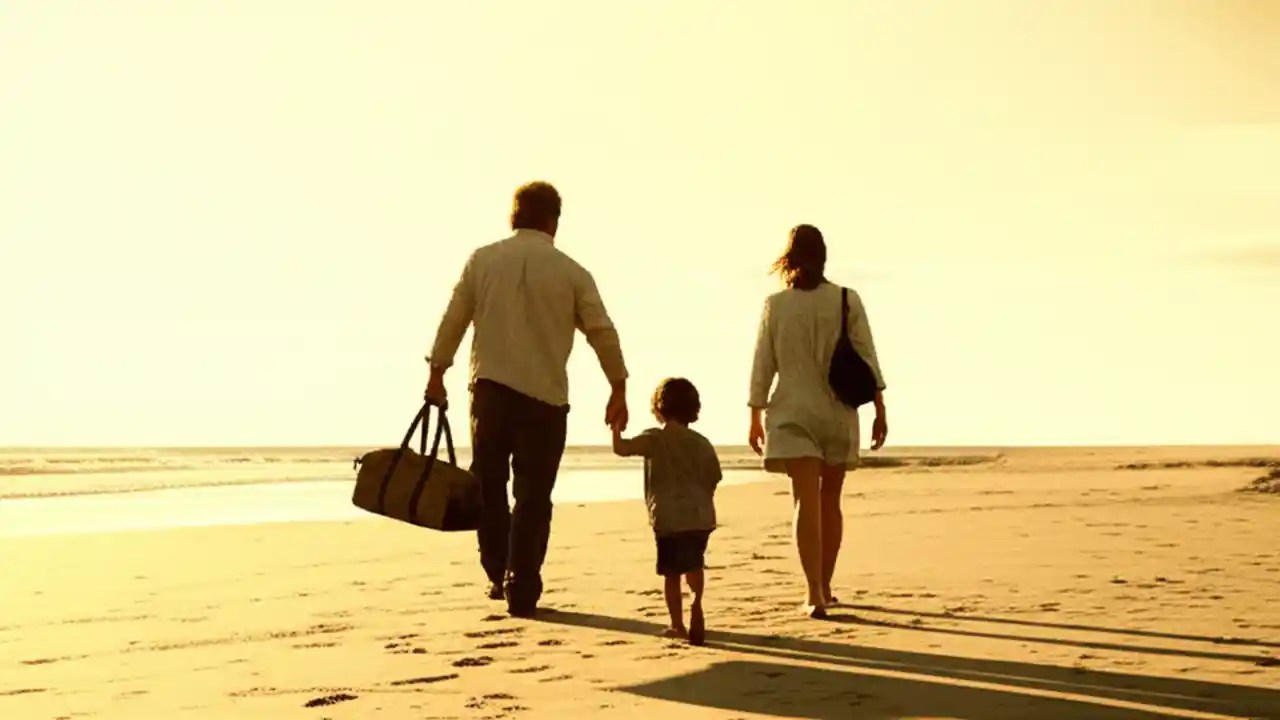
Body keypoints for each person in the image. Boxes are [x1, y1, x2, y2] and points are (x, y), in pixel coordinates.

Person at [425, 181, 629, 617]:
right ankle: (524, 583)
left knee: (490, 485)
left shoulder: (482, 261)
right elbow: (601, 331)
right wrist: (618, 386)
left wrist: (437, 372)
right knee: (534, 494)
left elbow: (454, 318)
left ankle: (498, 572)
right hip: (545, 400)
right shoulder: (572, 272)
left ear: (512, 217)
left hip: (491, 392)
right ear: (554, 222)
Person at [747, 224, 887, 619]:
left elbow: (763, 362)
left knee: (805, 501)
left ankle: (813, 594)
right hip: (837, 411)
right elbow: (867, 356)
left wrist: (755, 412)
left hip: (792, 412)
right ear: (824, 257)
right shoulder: (846, 299)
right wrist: (879, 408)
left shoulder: (776, 305)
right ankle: (825, 585)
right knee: (830, 501)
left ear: (789, 259)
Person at [612, 378, 721, 646]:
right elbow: (714, 477)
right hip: (699, 517)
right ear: (693, 409)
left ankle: (677, 624)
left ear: (658, 408)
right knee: (694, 564)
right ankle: (696, 602)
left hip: (668, 518)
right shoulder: (702, 443)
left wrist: (616, 427)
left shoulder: (654, 439)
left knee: (672, 573)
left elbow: (621, 448)